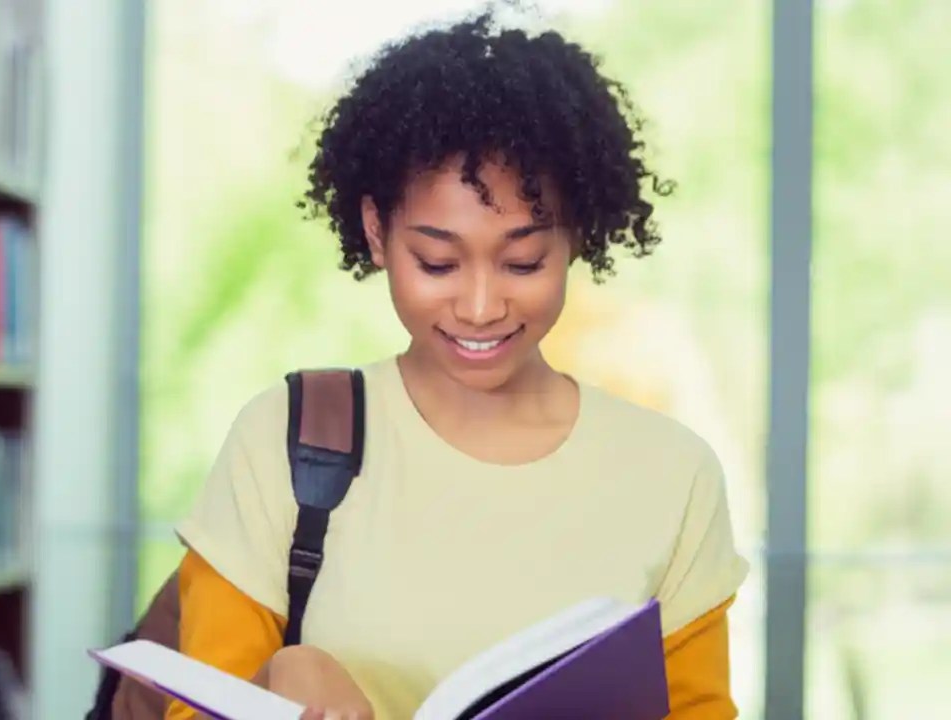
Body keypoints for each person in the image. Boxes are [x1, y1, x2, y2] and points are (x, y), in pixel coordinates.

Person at [168, 8, 749, 720]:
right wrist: (285, 680)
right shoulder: (284, 445)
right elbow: (195, 708)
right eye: (437, 261)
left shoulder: (673, 476)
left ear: (577, 236)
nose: (480, 306)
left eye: (523, 260)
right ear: (377, 231)